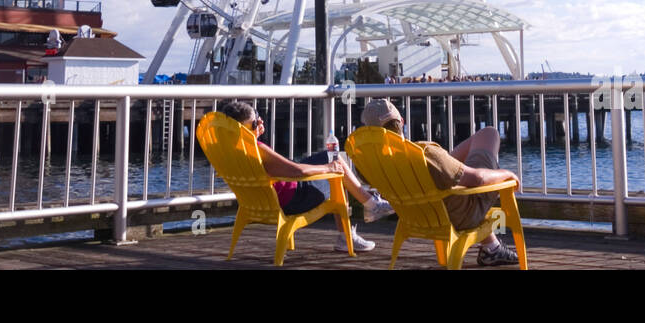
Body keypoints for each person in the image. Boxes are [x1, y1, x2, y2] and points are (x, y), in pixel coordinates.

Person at [359, 98, 520, 266]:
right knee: (489, 134)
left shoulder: (368, 163)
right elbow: (478, 179)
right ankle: (492, 248)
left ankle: (492, 248)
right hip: (459, 215)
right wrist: (507, 174)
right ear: (402, 122)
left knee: (445, 167)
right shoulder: (425, 153)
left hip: (414, 216)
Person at [219, 100, 392, 253]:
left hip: (259, 202)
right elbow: (297, 172)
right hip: (294, 199)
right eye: (255, 123)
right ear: (243, 129)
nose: (260, 122)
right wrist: (327, 168)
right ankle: (365, 212)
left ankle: (368, 206)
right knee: (336, 165)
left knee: (329, 156)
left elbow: (277, 170)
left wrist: (255, 132)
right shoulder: (257, 149)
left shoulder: (227, 150)